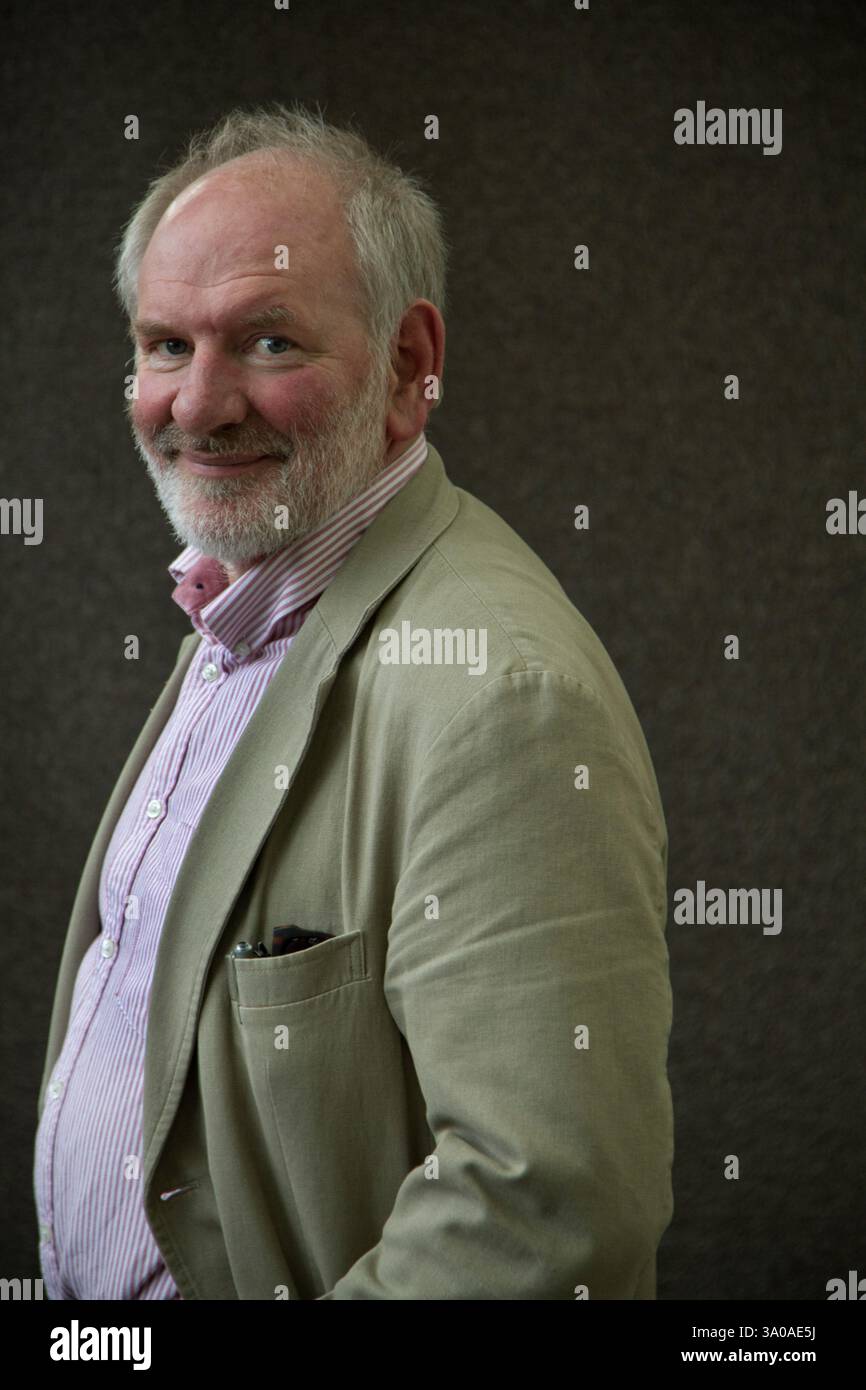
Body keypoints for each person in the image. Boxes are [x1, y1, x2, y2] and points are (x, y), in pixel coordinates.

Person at [34, 103, 674, 1300]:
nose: (197, 403)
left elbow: (544, 1214)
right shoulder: (242, 607)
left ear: (408, 364)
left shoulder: (498, 698)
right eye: (166, 344)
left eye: (268, 343)